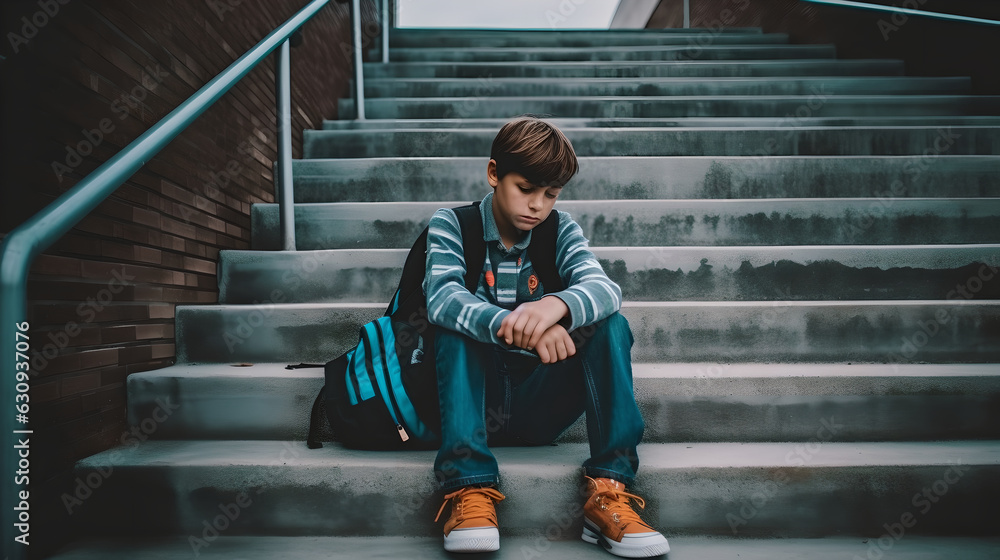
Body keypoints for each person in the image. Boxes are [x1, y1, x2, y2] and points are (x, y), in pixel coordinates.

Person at [424, 116, 669, 557]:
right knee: (452, 328)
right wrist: (519, 329)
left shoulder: (559, 229)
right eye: (526, 188)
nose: (538, 205)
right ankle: (469, 489)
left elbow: (605, 289)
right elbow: (441, 299)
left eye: (551, 194)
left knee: (611, 322)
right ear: (494, 173)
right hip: (467, 406)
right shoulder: (452, 225)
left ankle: (609, 489)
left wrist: (555, 307)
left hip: (539, 402)